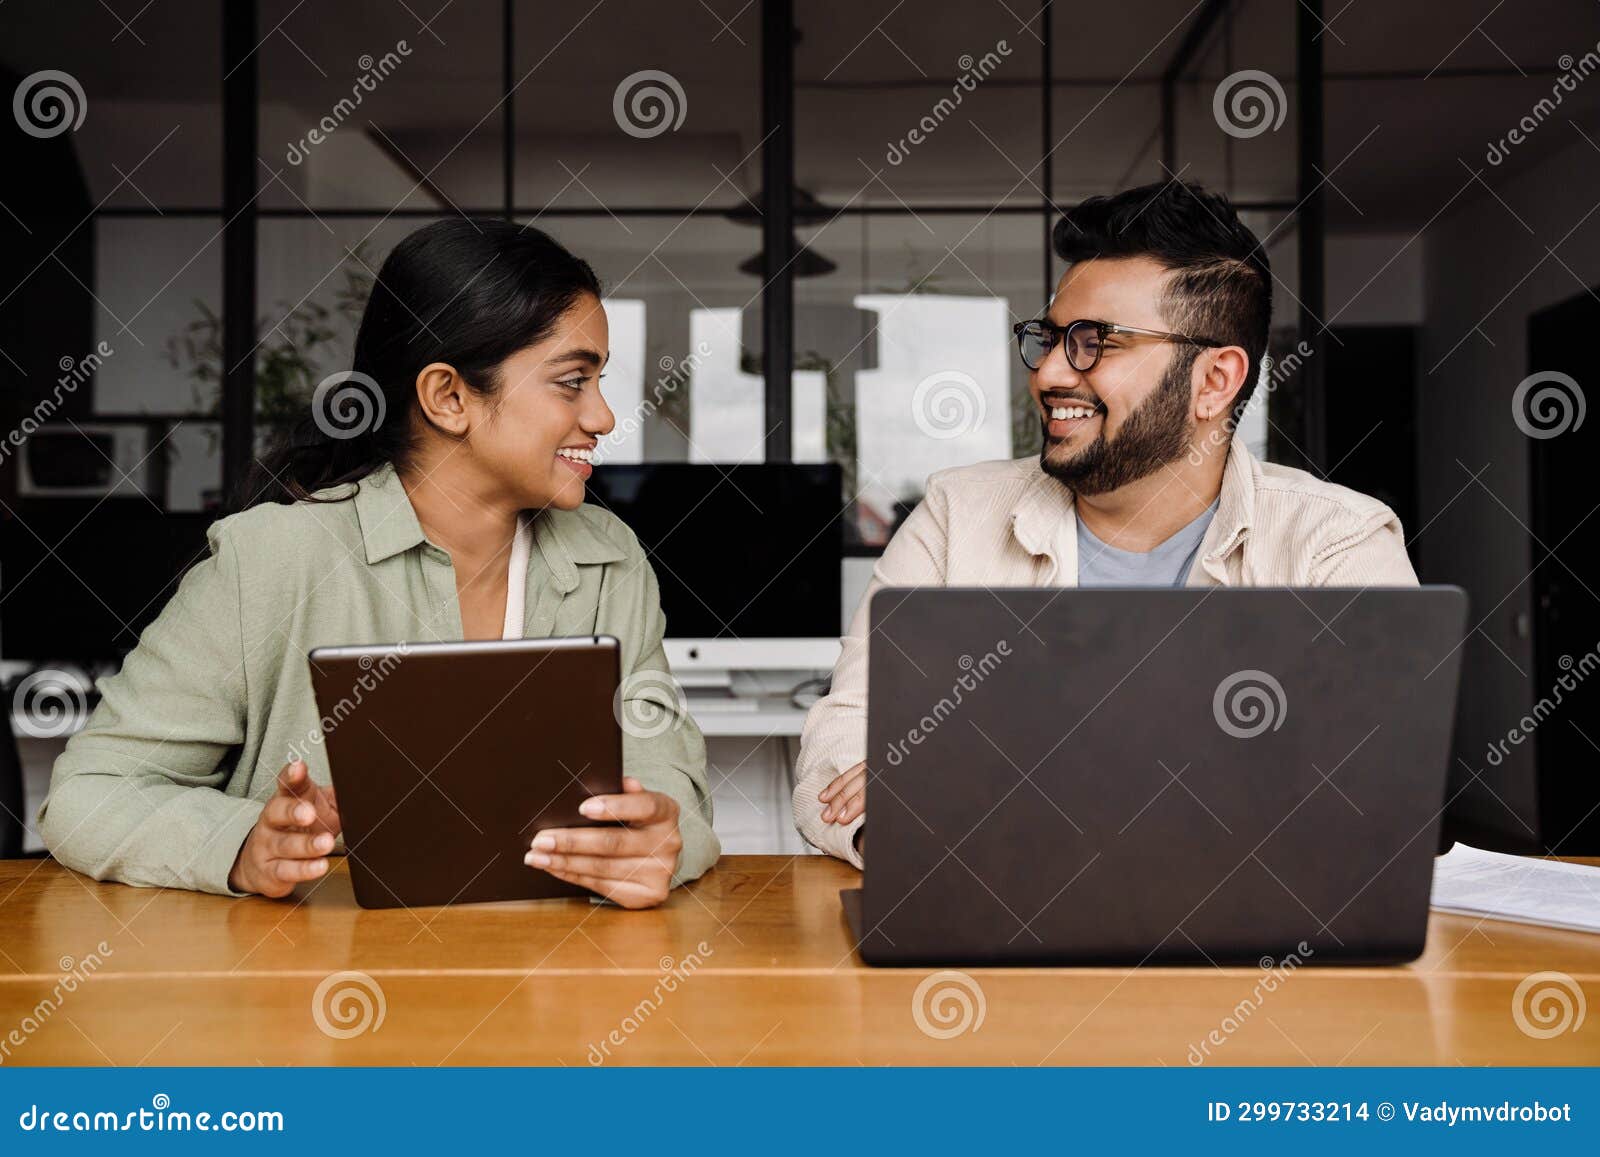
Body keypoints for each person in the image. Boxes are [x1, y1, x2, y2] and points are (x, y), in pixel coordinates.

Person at [39, 219, 717, 908]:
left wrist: (662, 839)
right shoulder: (271, 560)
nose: (603, 416)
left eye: (599, 380)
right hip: (317, 993)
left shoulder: (608, 558)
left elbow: (674, 786)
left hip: (555, 989)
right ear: (449, 397)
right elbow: (91, 794)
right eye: (573, 381)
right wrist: (242, 845)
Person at [794, 180, 1417, 868]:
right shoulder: (955, 517)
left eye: (1095, 342)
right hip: (992, 931)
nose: (1051, 372)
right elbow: (847, 736)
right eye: (1052, 337)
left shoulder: (1338, 545)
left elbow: (1367, 799)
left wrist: (987, 782)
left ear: (1214, 381)